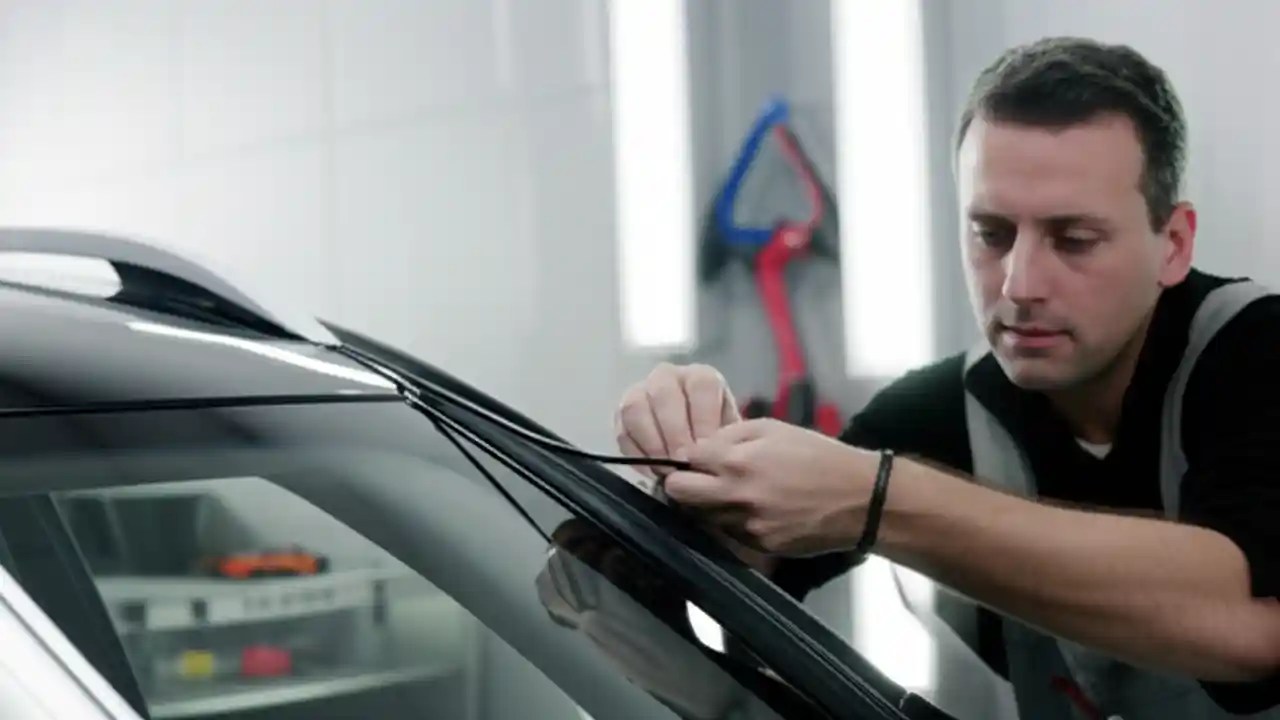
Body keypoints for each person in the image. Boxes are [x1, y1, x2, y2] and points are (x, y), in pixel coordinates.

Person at [615, 36, 1279, 719]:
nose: (1019, 285)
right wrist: (688, 468)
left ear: (1173, 245)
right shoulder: (939, 410)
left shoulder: (1257, 356)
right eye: (991, 234)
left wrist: (877, 501)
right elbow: (748, 562)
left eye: (1074, 240)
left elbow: (1253, 626)